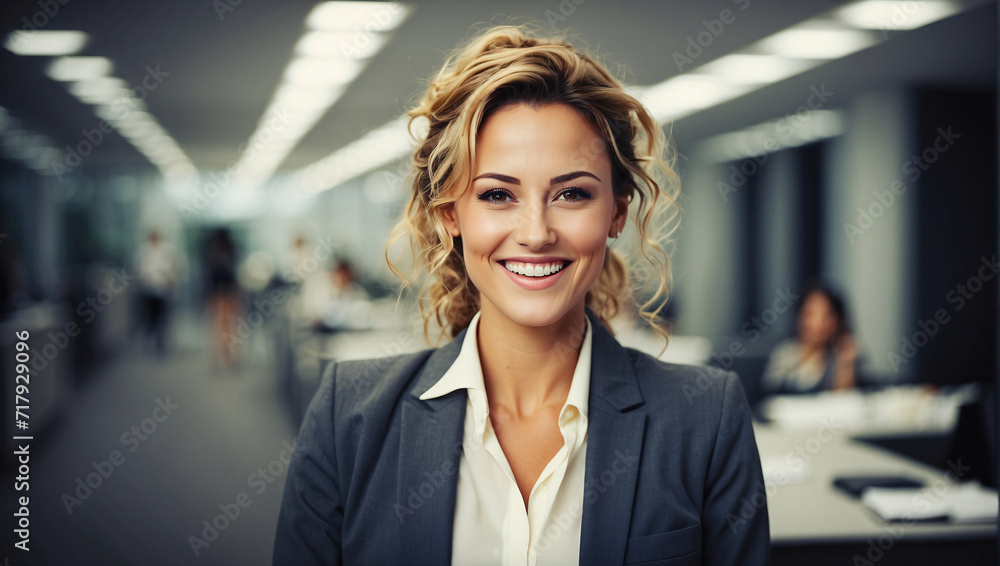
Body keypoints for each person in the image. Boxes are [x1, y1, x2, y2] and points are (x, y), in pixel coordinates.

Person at [273, 25, 768, 565]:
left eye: (572, 193)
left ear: (617, 212)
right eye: (497, 194)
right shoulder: (350, 417)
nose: (535, 232)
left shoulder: (706, 420)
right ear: (450, 215)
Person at [762, 282, 859, 395]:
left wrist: (845, 364)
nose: (818, 323)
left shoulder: (839, 355)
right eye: (811, 314)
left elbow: (842, 400)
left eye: (827, 315)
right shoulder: (784, 353)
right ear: (800, 317)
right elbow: (768, 393)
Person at [134, 229, 183, 355]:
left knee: (163, 316)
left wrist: (169, 277)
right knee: (150, 316)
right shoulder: (144, 250)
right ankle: (149, 340)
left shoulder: (167, 249)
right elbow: (139, 269)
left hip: (163, 288)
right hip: (148, 288)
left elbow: (175, 266)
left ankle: (160, 342)